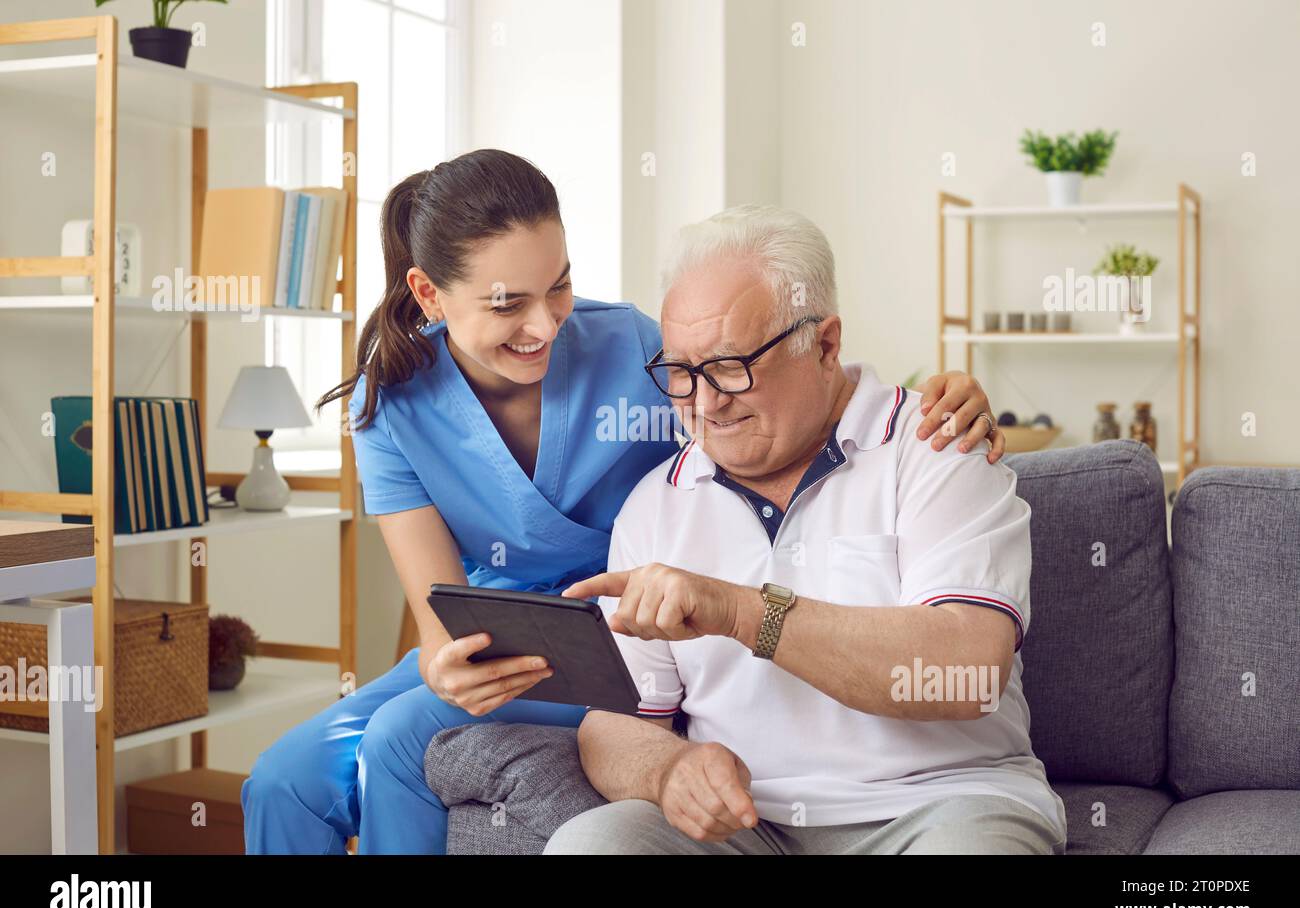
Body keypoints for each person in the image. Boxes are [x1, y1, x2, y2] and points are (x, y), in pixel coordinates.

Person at [240, 150, 1006, 854]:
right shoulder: (389, 402)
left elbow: (785, 390)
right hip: (499, 635)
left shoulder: (634, 350)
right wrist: (446, 666)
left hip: (621, 634)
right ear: (428, 294)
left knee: (402, 737)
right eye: (508, 303)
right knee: (281, 781)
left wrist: (938, 393)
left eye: (560, 285)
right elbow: (442, 608)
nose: (544, 325)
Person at [546, 205, 1066, 855]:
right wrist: (668, 769)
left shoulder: (937, 445)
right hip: (748, 825)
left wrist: (741, 612)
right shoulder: (656, 503)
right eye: (681, 373)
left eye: (733, 366)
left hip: (943, 804)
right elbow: (613, 721)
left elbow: (967, 672)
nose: (704, 405)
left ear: (823, 344)